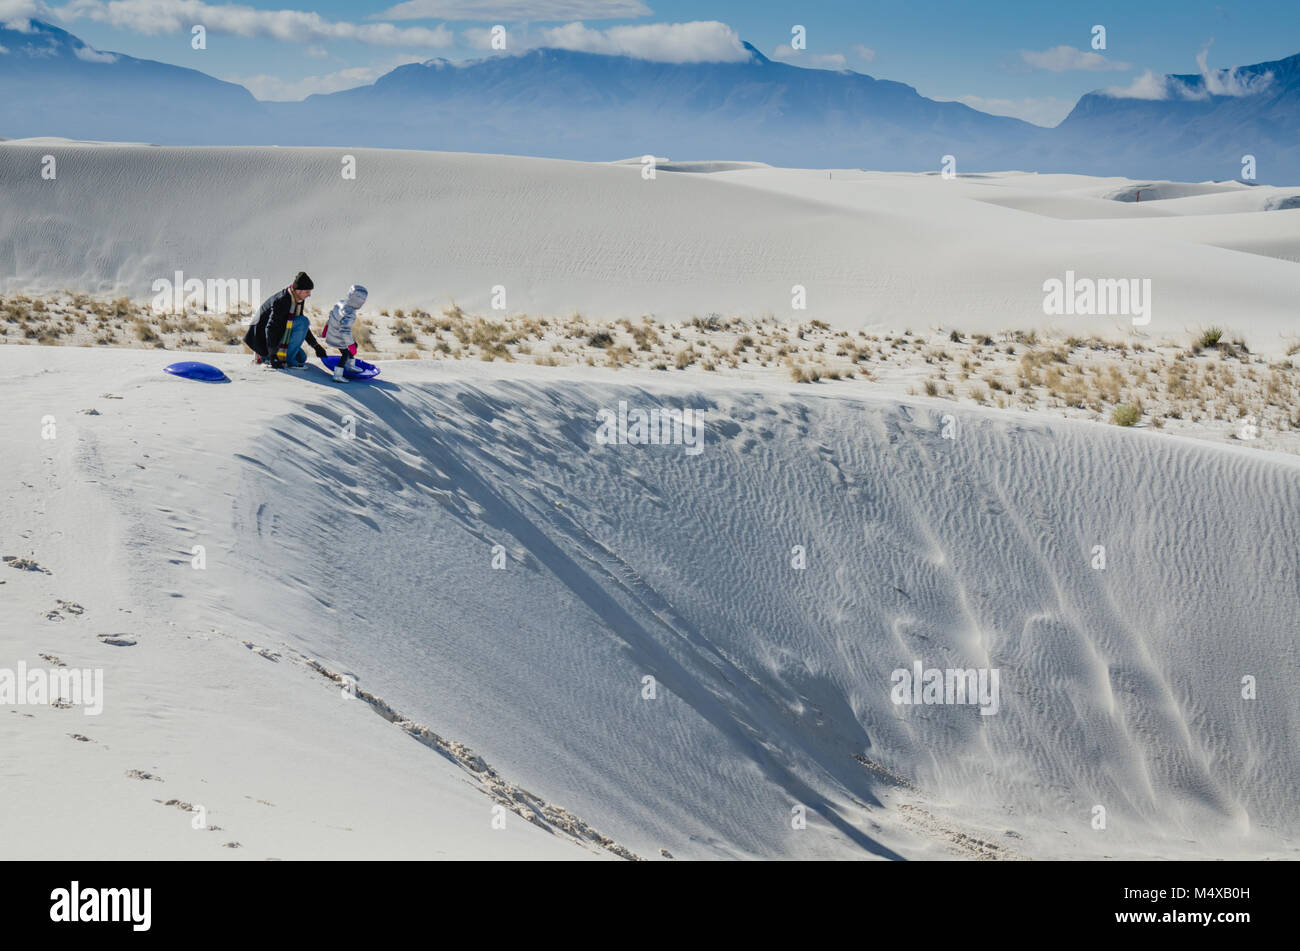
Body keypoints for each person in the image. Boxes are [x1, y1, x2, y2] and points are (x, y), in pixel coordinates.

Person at [244, 271, 327, 368]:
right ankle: (267, 357)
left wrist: (316, 346)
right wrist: (272, 355)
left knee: (301, 357)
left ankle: (277, 357)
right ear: (299, 291)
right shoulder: (282, 300)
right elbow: (271, 328)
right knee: (303, 321)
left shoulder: (297, 300)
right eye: (307, 291)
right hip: (262, 342)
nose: (309, 295)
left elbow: (303, 329)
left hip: (276, 337)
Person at [323, 284, 367, 382]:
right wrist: (350, 345)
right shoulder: (349, 313)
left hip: (332, 333)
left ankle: (350, 365)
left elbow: (331, 316)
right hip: (338, 337)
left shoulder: (340, 303)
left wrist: (326, 329)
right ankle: (337, 375)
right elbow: (345, 331)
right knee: (346, 353)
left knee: (354, 345)